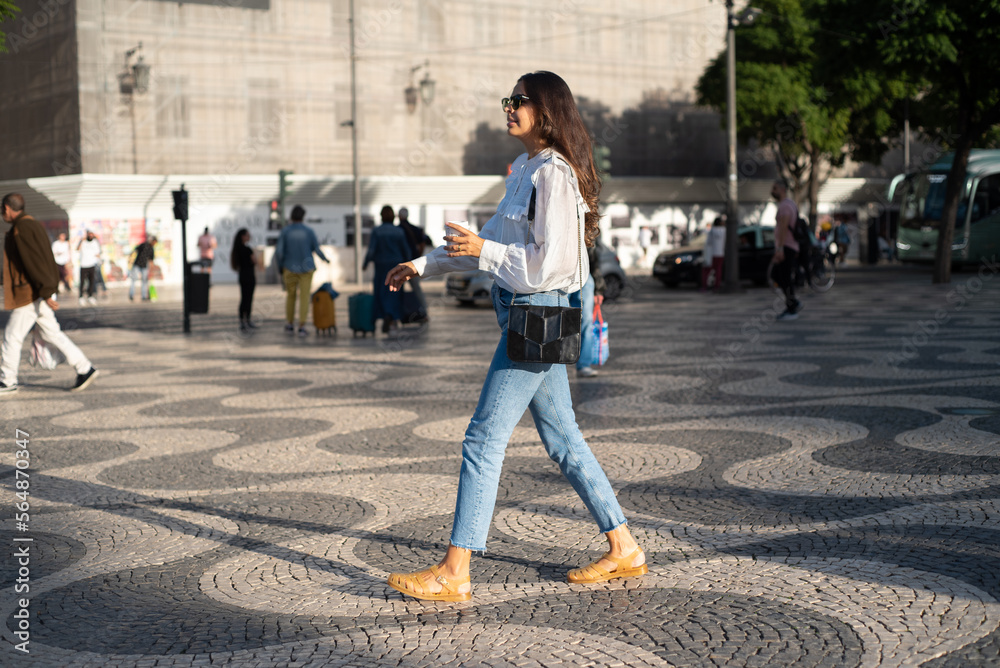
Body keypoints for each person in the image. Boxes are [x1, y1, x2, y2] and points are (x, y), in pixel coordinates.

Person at [384, 71, 646, 602]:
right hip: (524, 314)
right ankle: (624, 547)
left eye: (519, 100)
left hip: (537, 313)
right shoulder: (525, 169)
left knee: (482, 438)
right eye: (508, 99)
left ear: (547, 111)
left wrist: (483, 251)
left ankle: (455, 572)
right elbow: (483, 242)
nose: (509, 107)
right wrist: (421, 263)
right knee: (564, 440)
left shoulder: (554, 174)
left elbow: (547, 267)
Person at [1, 193, 99, 395]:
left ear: (8, 209)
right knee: (51, 332)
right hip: (39, 291)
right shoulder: (32, 224)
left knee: (12, 336)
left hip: (30, 293)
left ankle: (7, 380)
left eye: (2, 210)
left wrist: (45, 292)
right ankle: (84, 368)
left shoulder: (22, 228)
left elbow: (34, 262)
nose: (2, 214)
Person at [275, 204, 328, 337]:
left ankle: (289, 324)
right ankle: (302, 326)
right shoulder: (309, 231)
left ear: (291, 216)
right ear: (303, 216)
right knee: (304, 298)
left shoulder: (285, 231)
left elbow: (279, 252)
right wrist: (325, 259)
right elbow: (316, 248)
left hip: (289, 268)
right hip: (306, 269)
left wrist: (281, 266)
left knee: (290, 297)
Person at [364, 205, 411, 335]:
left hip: (380, 266)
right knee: (395, 292)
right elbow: (406, 250)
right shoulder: (399, 232)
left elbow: (371, 250)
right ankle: (392, 318)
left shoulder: (377, 231)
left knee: (380, 292)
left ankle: (379, 318)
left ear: (381, 216)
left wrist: (365, 263)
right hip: (396, 266)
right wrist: (411, 265)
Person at [771, 179, 801, 321]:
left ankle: (792, 307)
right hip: (787, 246)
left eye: (775, 188)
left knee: (783, 276)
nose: (772, 191)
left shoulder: (785, 206)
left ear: (782, 189)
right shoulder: (788, 205)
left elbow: (783, 228)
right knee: (779, 275)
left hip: (787, 246)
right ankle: (792, 303)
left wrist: (780, 249)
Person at [576, 242, 606, 378]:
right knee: (558, 321)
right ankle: (554, 367)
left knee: (586, 322)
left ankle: (584, 364)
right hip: (559, 276)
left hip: (585, 276)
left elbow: (594, 257)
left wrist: (598, 289)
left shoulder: (587, 223)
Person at [397, 206, 433, 316]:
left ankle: (398, 315)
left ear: (398, 216)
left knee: (398, 291)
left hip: (401, 264)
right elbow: (422, 243)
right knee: (417, 290)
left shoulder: (398, 229)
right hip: (413, 264)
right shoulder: (414, 229)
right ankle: (424, 312)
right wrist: (418, 257)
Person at [230, 228, 259, 333]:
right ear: (243, 236)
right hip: (249, 276)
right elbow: (254, 261)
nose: (249, 237)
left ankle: (242, 320)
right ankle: (248, 319)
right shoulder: (247, 249)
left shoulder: (237, 249)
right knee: (249, 298)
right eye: (247, 235)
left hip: (242, 276)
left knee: (243, 298)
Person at [76, 229, 101, 306]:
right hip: (84, 264)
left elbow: (97, 253)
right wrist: (81, 240)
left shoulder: (95, 242)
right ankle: (81, 297)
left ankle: (90, 296)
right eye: (89, 234)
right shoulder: (83, 242)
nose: (90, 236)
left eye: (92, 234)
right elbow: (77, 249)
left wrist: (99, 260)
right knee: (82, 282)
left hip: (92, 264)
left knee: (91, 281)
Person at [128, 235, 157, 301]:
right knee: (134, 279)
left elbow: (151, 261)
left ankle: (144, 296)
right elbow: (135, 250)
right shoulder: (144, 245)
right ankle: (131, 294)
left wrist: (151, 271)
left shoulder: (151, 249)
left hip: (144, 266)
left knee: (144, 281)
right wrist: (130, 258)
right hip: (137, 265)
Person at [701, 216, 726, 292]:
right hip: (720, 253)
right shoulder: (724, 230)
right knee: (718, 270)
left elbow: (708, 242)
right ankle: (716, 285)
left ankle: (704, 286)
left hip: (712, 254)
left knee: (707, 271)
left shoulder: (712, 230)